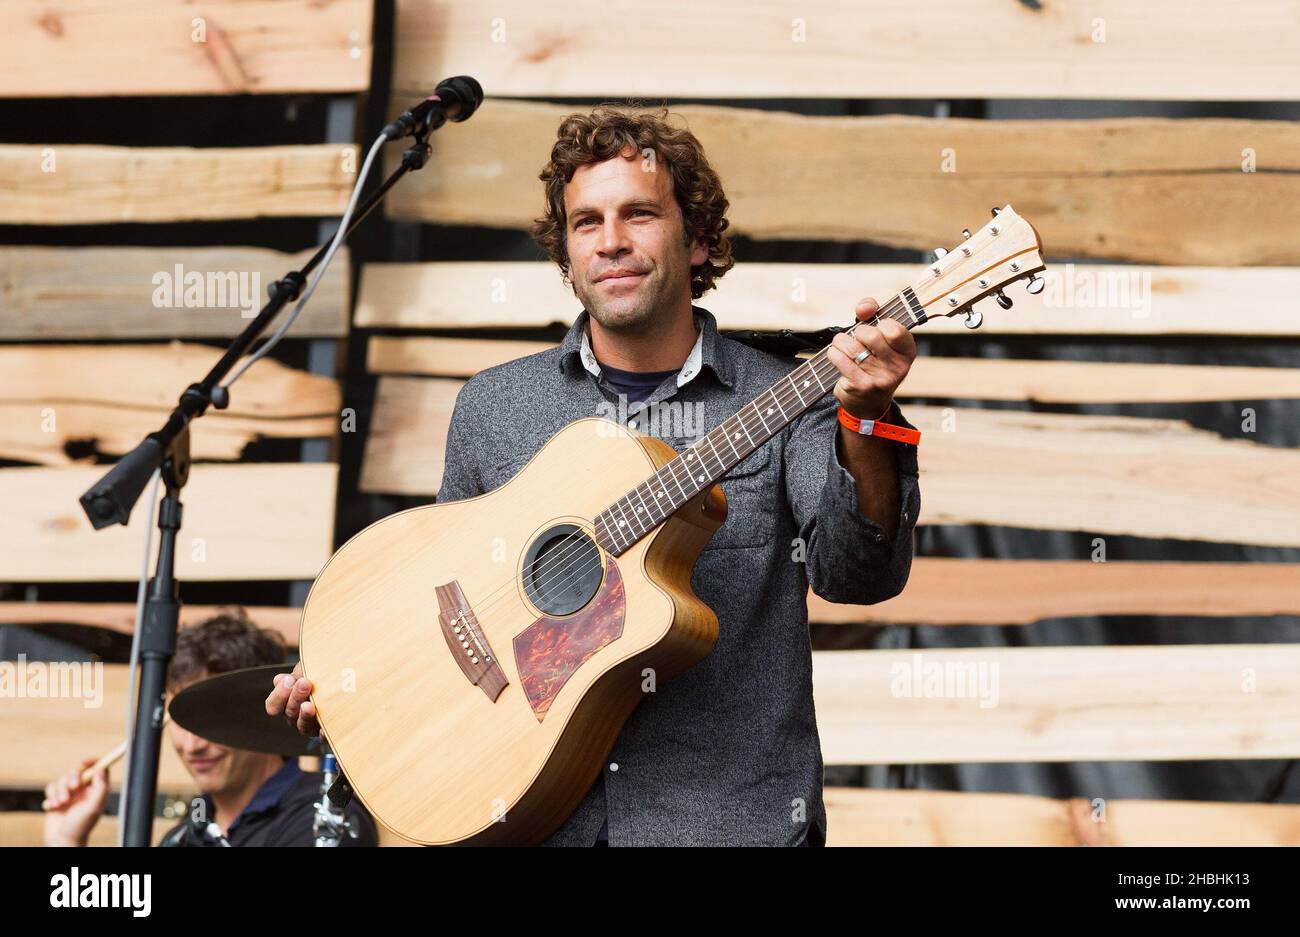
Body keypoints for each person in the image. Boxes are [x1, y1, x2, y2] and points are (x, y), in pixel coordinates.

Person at [268, 105, 921, 846]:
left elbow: (859, 574)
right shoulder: (496, 406)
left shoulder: (784, 398)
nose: (612, 241)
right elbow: (442, 604)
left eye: (639, 214)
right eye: (587, 222)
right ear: (567, 253)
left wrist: (867, 420)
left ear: (699, 238)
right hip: (540, 827)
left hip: (726, 824)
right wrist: (350, 681)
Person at [45, 608, 377, 847]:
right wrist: (66, 841)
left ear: (260, 711)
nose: (192, 746)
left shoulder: (325, 813)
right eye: (179, 721)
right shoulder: (180, 838)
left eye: (205, 722)